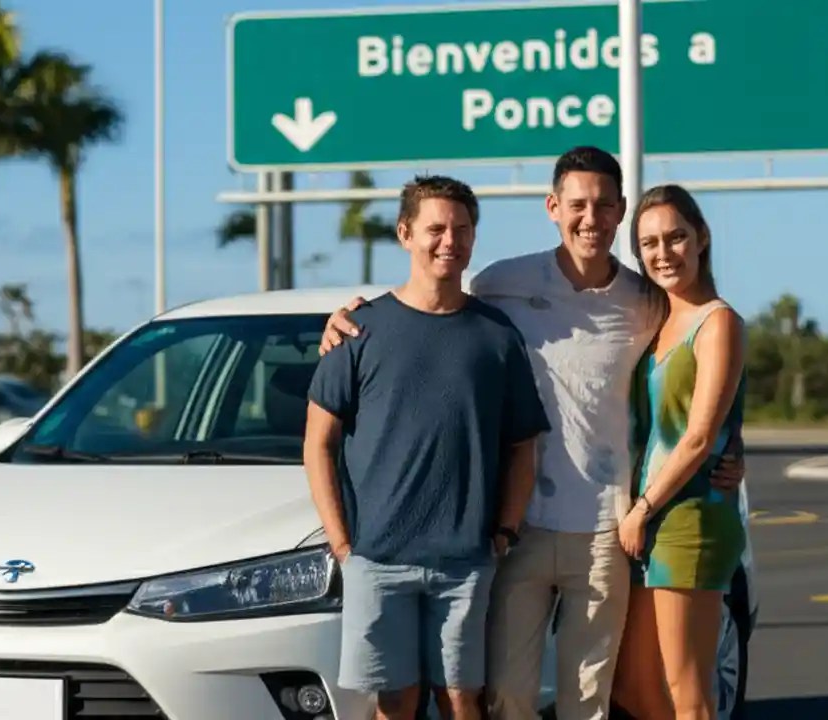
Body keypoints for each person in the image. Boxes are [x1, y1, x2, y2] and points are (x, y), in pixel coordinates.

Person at [317, 147, 744, 720]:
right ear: (552, 207)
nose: (589, 218)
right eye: (576, 205)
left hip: (606, 531)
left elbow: (694, 376)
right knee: (508, 698)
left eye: (602, 206)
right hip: (519, 532)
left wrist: (730, 448)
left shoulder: (645, 302)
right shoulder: (502, 284)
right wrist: (345, 316)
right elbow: (429, 311)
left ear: (619, 212)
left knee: (586, 702)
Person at [303, 174, 551, 720]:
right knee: (394, 702)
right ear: (405, 234)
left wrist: (504, 534)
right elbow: (317, 444)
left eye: (461, 230)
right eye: (435, 229)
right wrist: (344, 545)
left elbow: (522, 446)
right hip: (378, 558)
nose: (449, 241)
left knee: (463, 700)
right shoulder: (358, 332)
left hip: (465, 562)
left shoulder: (496, 335)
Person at [610, 184, 747, 720]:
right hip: (653, 523)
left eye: (675, 238)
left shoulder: (718, 322)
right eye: (649, 243)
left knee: (689, 694)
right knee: (633, 686)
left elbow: (697, 435)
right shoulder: (657, 319)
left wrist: (641, 509)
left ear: (701, 238)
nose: (663, 253)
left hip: (689, 521)